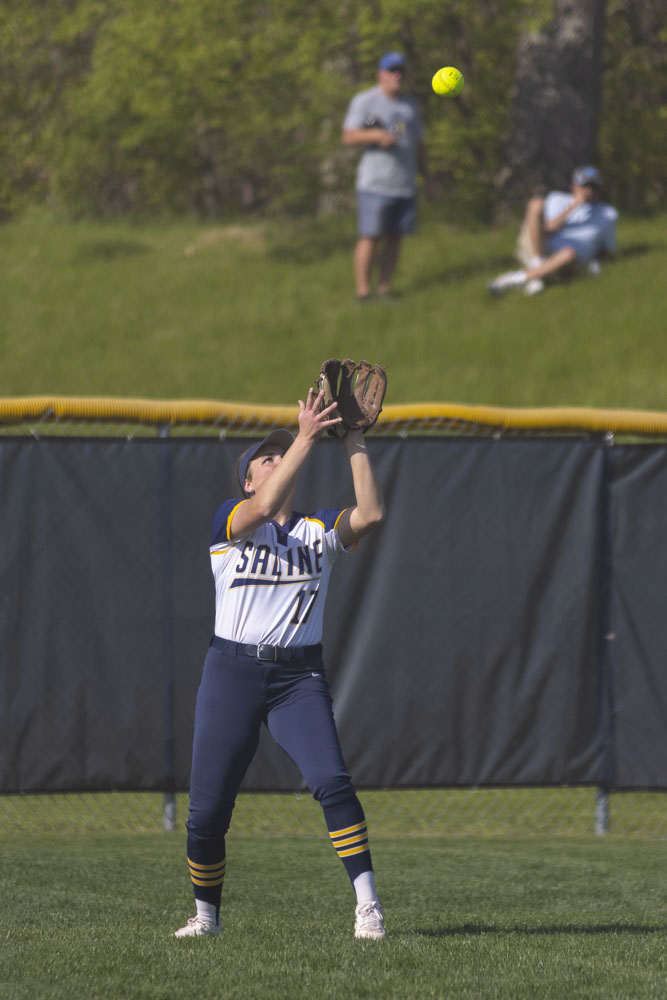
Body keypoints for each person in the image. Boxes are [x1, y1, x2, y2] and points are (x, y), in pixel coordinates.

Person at [174, 388, 387, 941]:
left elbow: (371, 513)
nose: (276, 459)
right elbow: (265, 507)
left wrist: (355, 439)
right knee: (205, 813)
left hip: (297, 679)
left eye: (282, 453)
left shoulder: (318, 532)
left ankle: (368, 907)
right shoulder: (232, 523)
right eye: (265, 458)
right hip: (232, 672)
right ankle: (206, 916)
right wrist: (307, 436)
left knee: (332, 782)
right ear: (247, 480)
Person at [342, 51, 434, 302]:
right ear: (380, 74)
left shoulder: (410, 105)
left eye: (401, 71)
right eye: (392, 70)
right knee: (370, 236)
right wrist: (376, 137)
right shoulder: (365, 101)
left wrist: (427, 180)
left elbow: (419, 146)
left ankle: (384, 290)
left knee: (395, 238)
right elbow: (348, 136)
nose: (397, 76)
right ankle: (363, 292)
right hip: (375, 184)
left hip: (405, 185)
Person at [487, 166, 619, 296]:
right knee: (536, 203)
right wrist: (574, 206)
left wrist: (594, 262)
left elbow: (607, 249)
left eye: (594, 187)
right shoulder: (558, 199)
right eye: (585, 186)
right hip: (539, 246)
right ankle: (536, 264)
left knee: (569, 254)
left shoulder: (608, 214)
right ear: (574, 187)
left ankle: (515, 279)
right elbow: (549, 228)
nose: (589, 191)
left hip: (568, 258)